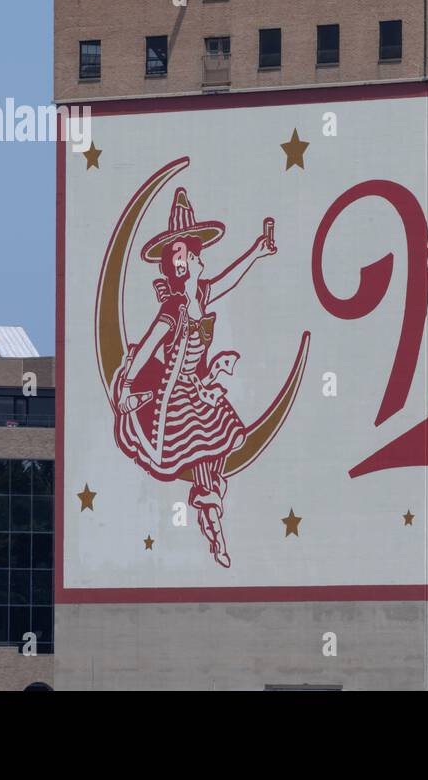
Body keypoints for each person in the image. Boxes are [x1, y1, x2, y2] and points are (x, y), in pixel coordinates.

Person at [112, 187, 276, 568]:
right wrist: (125, 384)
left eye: (192, 250)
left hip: (198, 388)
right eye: (184, 252)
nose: (192, 257)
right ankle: (213, 520)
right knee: (204, 447)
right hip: (175, 392)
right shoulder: (175, 304)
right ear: (176, 262)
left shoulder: (201, 293)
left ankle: (209, 506)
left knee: (221, 441)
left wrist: (257, 250)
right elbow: (152, 343)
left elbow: (230, 279)